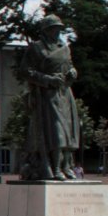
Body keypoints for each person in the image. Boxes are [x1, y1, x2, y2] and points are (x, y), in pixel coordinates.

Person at [23, 15, 81, 180]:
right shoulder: (36, 48)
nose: (57, 32)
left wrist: (73, 72)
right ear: (46, 30)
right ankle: (54, 168)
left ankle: (66, 166)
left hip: (64, 93)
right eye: (54, 28)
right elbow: (26, 71)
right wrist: (47, 80)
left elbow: (70, 66)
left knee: (70, 131)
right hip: (47, 95)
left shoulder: (65, 48)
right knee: (56, 131)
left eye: (59, 29)